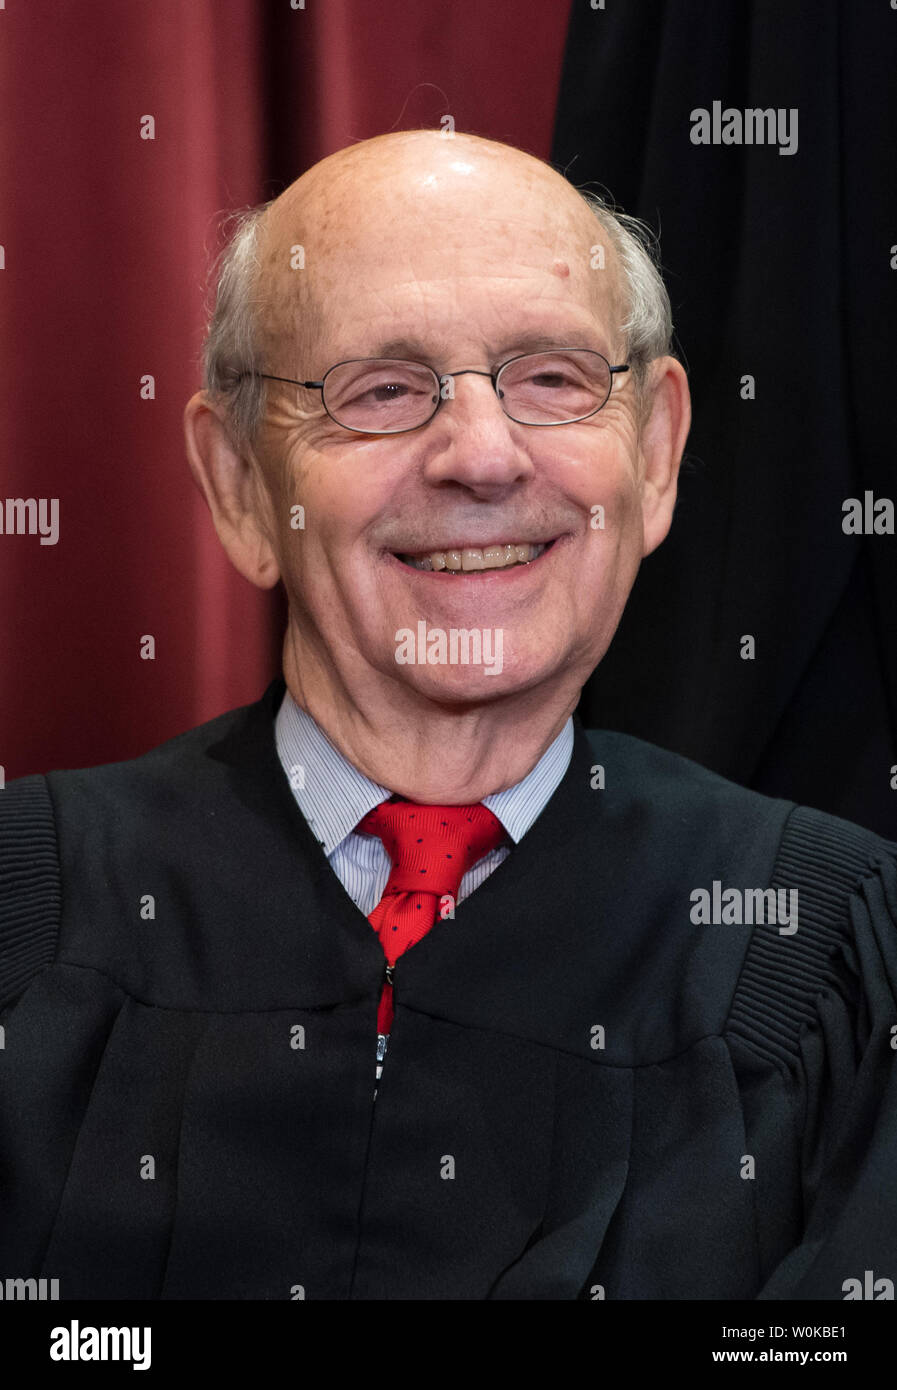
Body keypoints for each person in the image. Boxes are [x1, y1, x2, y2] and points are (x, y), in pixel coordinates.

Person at [1, 129, 894, 1302]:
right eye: (378, 390)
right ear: (239, 488)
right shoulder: (29, 910)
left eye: (554, 379)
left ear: (659, 452)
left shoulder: (826, 952)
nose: (481, 455)